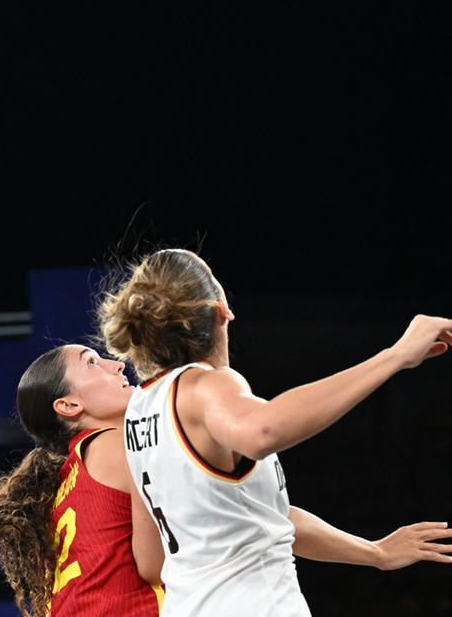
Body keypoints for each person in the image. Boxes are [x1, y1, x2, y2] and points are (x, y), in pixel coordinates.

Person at [99, 248, 452, 615]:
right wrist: (396, 356)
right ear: (223, 310)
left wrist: (376, 552)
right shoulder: (207, 386)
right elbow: (263, 430)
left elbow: (153, 560)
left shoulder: (139, 410)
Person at [0, 345, 165, 615]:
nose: (117, 365)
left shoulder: (69, 480)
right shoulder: (114, 445)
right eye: (92, 362)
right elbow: (153, 567)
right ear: (69, 405)